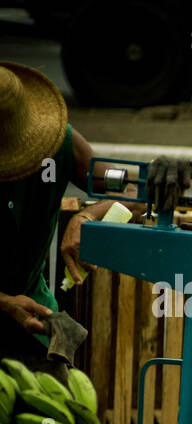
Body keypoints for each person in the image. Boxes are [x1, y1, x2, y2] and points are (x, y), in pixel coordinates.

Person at [0, 62, 139, 373]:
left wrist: (87, 217)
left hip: (35, 320)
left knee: (57, 413)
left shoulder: (58, 142)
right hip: (15, 310)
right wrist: (5, 303)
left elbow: (135, 191)